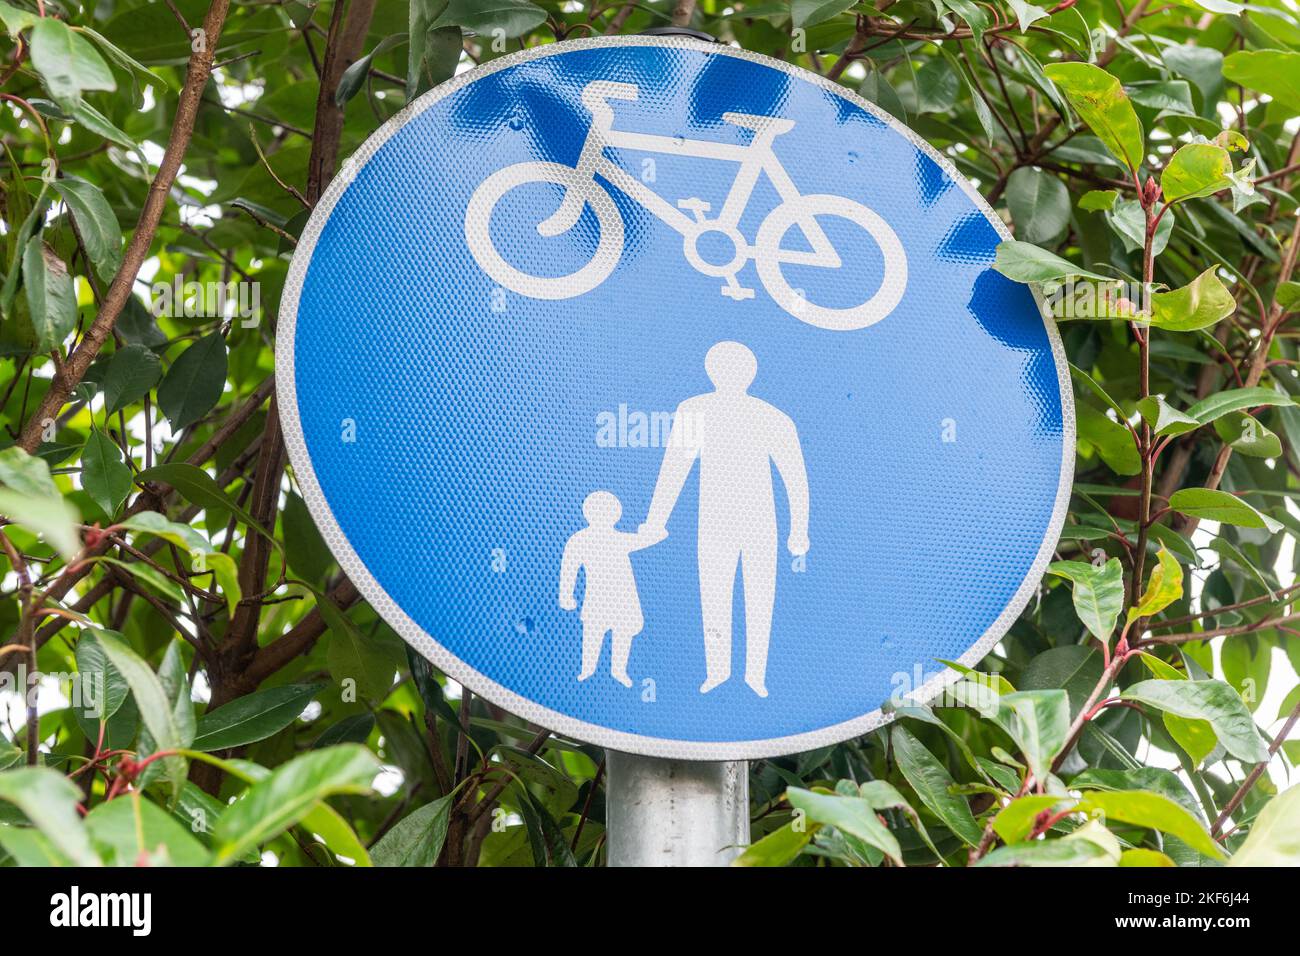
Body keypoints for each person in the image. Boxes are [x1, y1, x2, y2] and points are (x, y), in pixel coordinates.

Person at [640, 341, 809, 697]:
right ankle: (717, 672)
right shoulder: (694, 411)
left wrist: (799, 530)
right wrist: (656, 520)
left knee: (760, 597)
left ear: (750, 373)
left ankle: (756, 676)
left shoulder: (772, 417)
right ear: (710, 371)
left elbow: (795, 476)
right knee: (714, 594)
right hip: (715, 521)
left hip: (761, 522)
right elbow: (674, 468)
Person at [559, 490, 665, 687]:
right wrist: (566, 595)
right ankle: (587, 670)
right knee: (593, 632)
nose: (605, 516)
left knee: (623, 633)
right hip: (597, 597)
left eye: (609, 511)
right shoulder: (579, 540)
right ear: (588, 513)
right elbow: (569, 568)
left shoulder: (619, 538)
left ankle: (619, 671)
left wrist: (656, 534)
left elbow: (641, 541)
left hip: (624, 598)